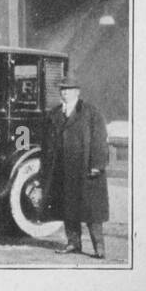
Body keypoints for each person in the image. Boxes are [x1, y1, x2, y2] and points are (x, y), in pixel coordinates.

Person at [41, 76, 110, 258]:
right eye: (62, 90)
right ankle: (73, 244)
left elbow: (99, 140)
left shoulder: (91, 113)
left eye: (69, 89)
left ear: (77, 92)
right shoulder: (54, 114)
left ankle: (99, 248)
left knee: (92, 212)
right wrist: (47, 167)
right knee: (68, 208)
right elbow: (47, 144)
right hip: (63, 170)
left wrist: (97, 164)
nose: (65, 93)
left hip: (85, 170)